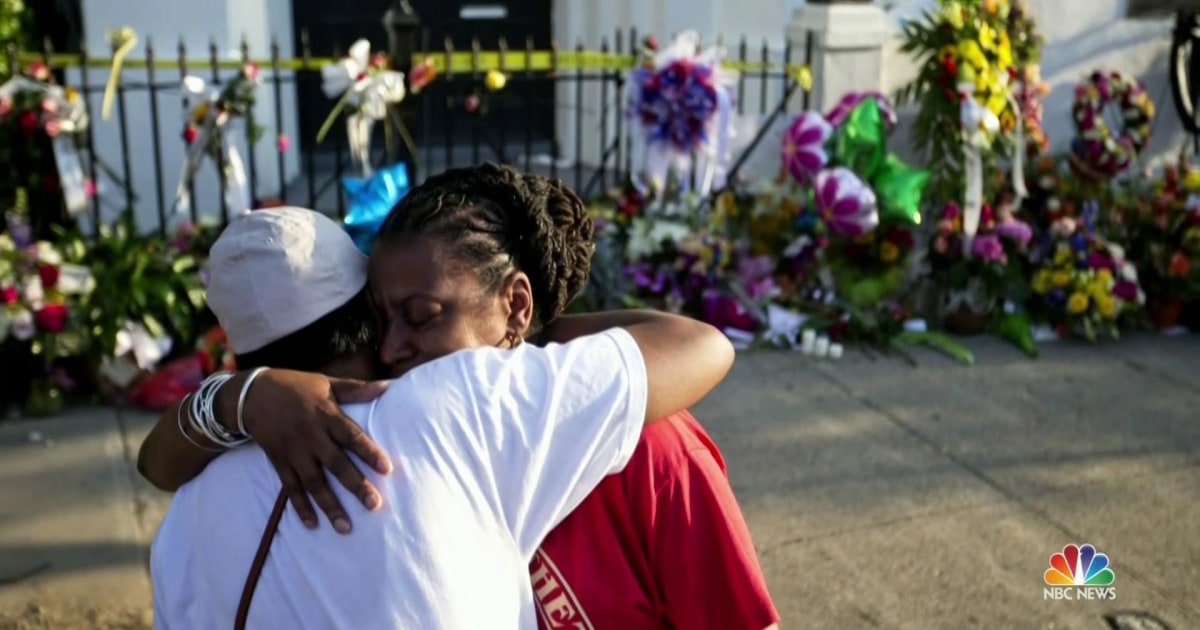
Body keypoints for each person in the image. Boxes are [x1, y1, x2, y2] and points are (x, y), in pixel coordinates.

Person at [141, 165, 778, 629]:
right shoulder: (445, 415)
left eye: (418, 316)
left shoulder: (648, 446)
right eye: (384, 318)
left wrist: (238, 399)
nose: (393, 349)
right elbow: (698, 342)